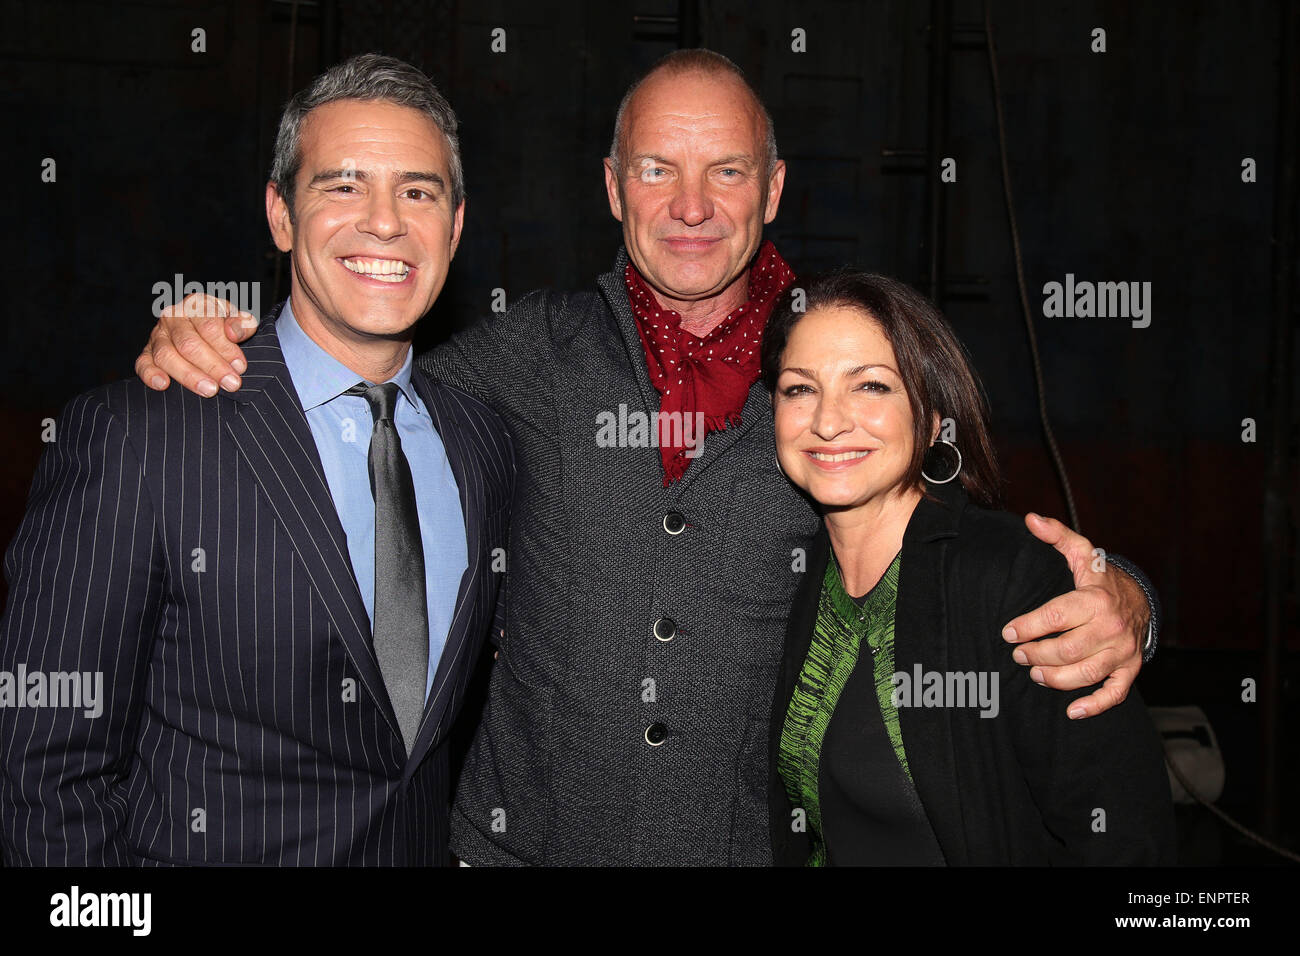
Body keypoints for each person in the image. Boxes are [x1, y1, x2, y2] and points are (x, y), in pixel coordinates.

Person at [130, 50, 1159, 866]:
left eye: (726, 170)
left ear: (774, 187)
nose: (692, 204)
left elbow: (977, 538)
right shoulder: (519, 353)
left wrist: (1130, 604)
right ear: (613, 186)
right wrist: (217, 332)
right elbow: (355, 366)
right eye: (658, 168)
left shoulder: (840, 366)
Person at [0, 54, 514, 865]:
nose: (385, 221)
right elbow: (42, 774)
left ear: (454, 226)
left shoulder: (484, 446)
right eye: (341, 186)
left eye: (418, 191)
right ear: (279, 216)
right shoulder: (139, 435)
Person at [763, 271, 1174, 865]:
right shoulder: (790, 575)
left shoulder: (1012, 580)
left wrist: (1137, 600)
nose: (828, 421)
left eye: (872, 386)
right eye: (799, 389)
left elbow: (1127, 840)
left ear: (933, 417)